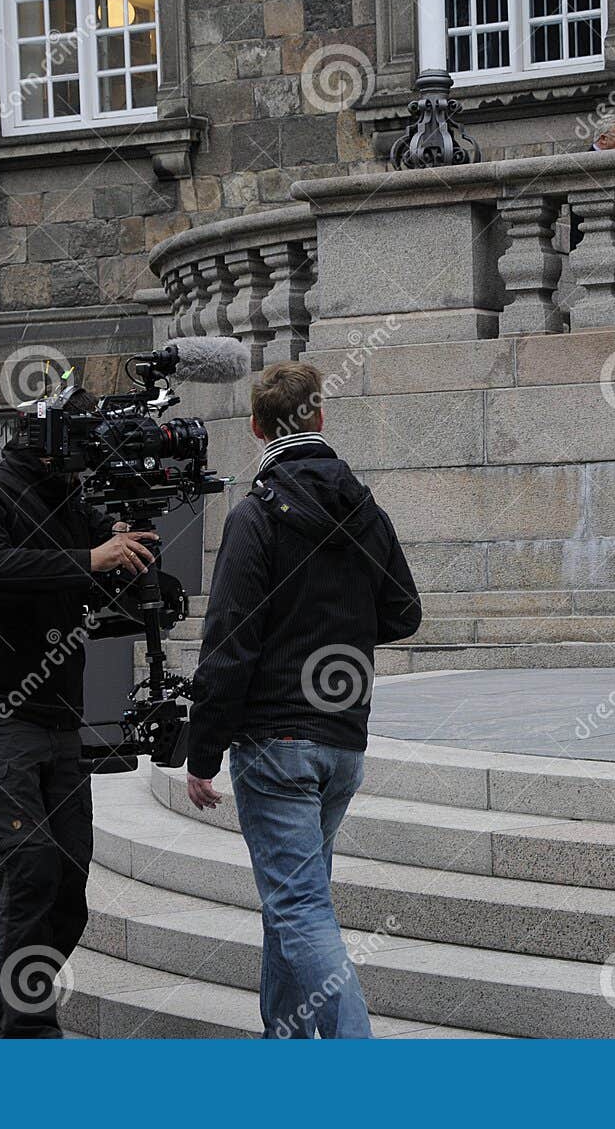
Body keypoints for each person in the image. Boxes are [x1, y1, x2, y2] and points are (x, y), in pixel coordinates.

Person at [184, 362, 422, 1038]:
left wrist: (200, 750)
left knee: (300, 909)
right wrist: (339, 622)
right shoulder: (362, 507)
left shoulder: (256, 516)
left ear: (258, 429)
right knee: (293, 900)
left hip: (275, 741)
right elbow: (403, 611)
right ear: (319, 417)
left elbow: (228, 640)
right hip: (342, 741)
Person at [0, 429, 159, 1037]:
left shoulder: (71, 508)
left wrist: (125, 560)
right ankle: (26, 1037)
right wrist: (89, 559)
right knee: (30, 864)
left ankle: (15, 1027)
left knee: (67, 882)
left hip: (56, 712)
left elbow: (96, 586)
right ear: (52, 447)